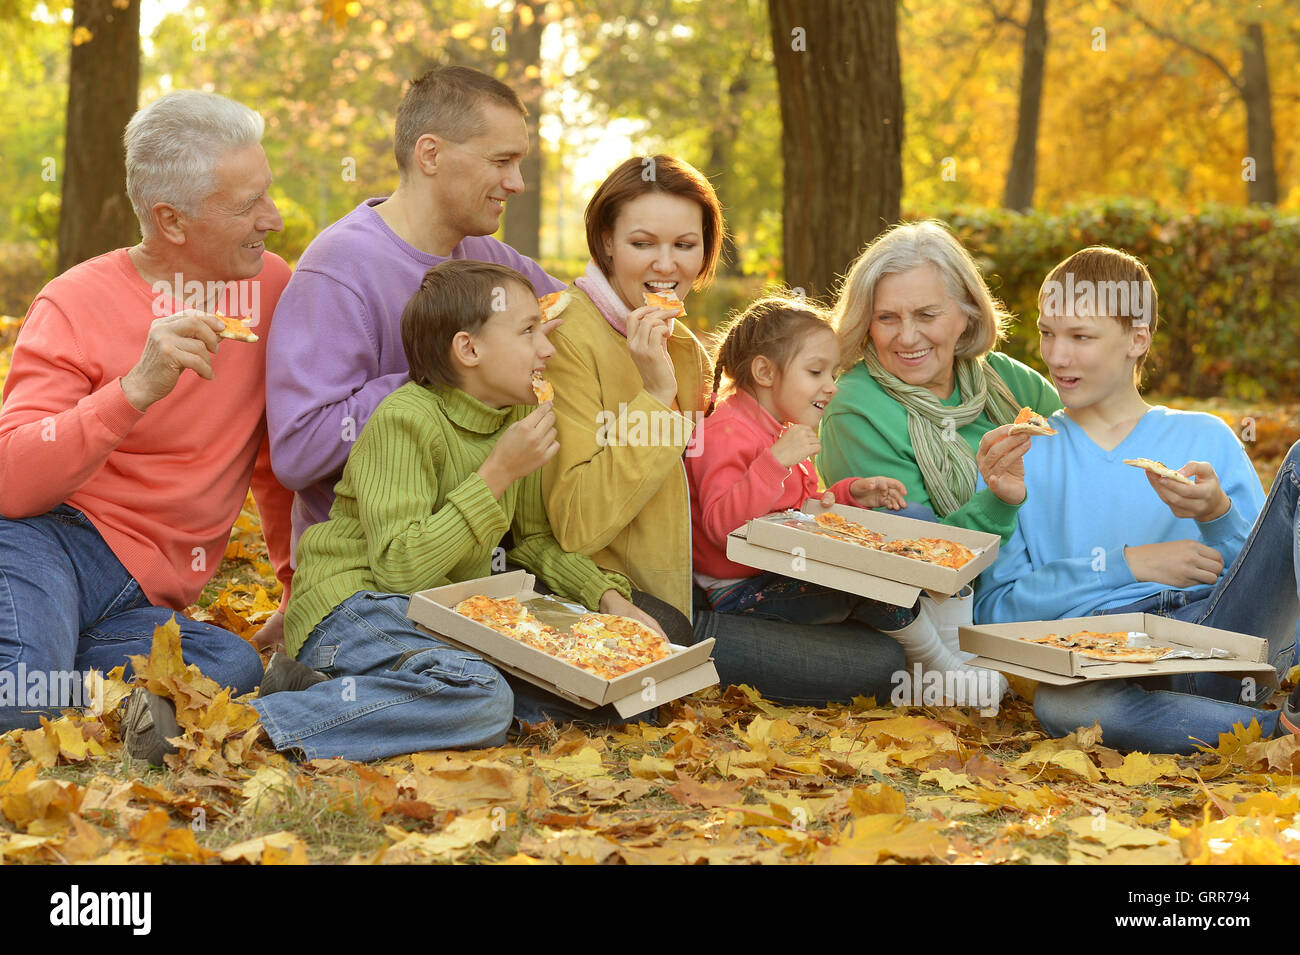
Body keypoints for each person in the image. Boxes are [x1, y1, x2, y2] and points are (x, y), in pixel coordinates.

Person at [541, 156, 909, 706]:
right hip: (625, 597)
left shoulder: (686, 348)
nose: (667, 265)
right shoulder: (566, 334)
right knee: (879, 665)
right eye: (644, 243)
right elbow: (574, 526)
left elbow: (721, 473)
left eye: (685, 246)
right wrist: (655, 396)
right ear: (606, 242)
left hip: (711, 585)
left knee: (884, 624)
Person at [251, 260, 652, 761]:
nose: (547, 348)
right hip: (355, 607)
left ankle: (319, 690)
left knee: (611, 699)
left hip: (441, 620)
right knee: (484, 699)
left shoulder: (522, 416)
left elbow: (531, 543)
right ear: (468, 349)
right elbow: (398, 567)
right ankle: (267, 720)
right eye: (528, 331)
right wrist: (496, 474)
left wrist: (609, 599)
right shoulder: (406, 419)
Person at [0, 91, 294, 757]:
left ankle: (46, 662)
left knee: (234, 666)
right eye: (248, 204)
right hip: (45, 541)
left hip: (140, 599)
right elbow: (11, 482)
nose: (271, 219)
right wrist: (132, 391)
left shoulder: (272, 289)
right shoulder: (74, 301)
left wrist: (293, 588)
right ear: (173, 219)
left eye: (266, 194)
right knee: (20, 699)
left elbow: (276, 459)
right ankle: (35, 668)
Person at [973, 246, 1300, 753]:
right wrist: (1129, 565)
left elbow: (1271, 588)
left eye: (1081, 337)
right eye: (1047, 333)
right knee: (1063, 708)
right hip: (1104, 664)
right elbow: (996, 614)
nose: (1057, 357)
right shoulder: (1021, 456)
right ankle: (1281, 733)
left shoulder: (1205, 437)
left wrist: (1217, 517)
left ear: (1137, 339)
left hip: (1221, 642)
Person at [266, 66, 564, 557]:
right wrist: (442, 374)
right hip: (369, 569)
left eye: (519, 163)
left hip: (481, 559)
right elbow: (300, 450)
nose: (518, 183)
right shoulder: (339, 268)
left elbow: (578, 313)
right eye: (502, 161)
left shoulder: (485, 256)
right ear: (431, 154)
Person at [685, 295, 1005, 705]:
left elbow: (795, 512)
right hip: (741, 589)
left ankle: (951, 659)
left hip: (778, 567)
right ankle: (934, 670)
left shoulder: (780, 426)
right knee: (869, 583)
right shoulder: (725, 433)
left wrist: (849, 494)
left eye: (833, 372)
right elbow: (721, 527)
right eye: (816, 371)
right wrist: (775, 461)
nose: (831, 385)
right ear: (765, 371)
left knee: (902, 552)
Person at [819, 220, 1063, 542]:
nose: (907, 338)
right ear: (866, 323)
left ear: (967, 313)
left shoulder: (1005, 379)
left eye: (926, 315)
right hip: (967, 589)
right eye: (886, 317)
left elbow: (1086, 449)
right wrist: (999, 501)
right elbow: (920, 556)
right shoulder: (856, 411)